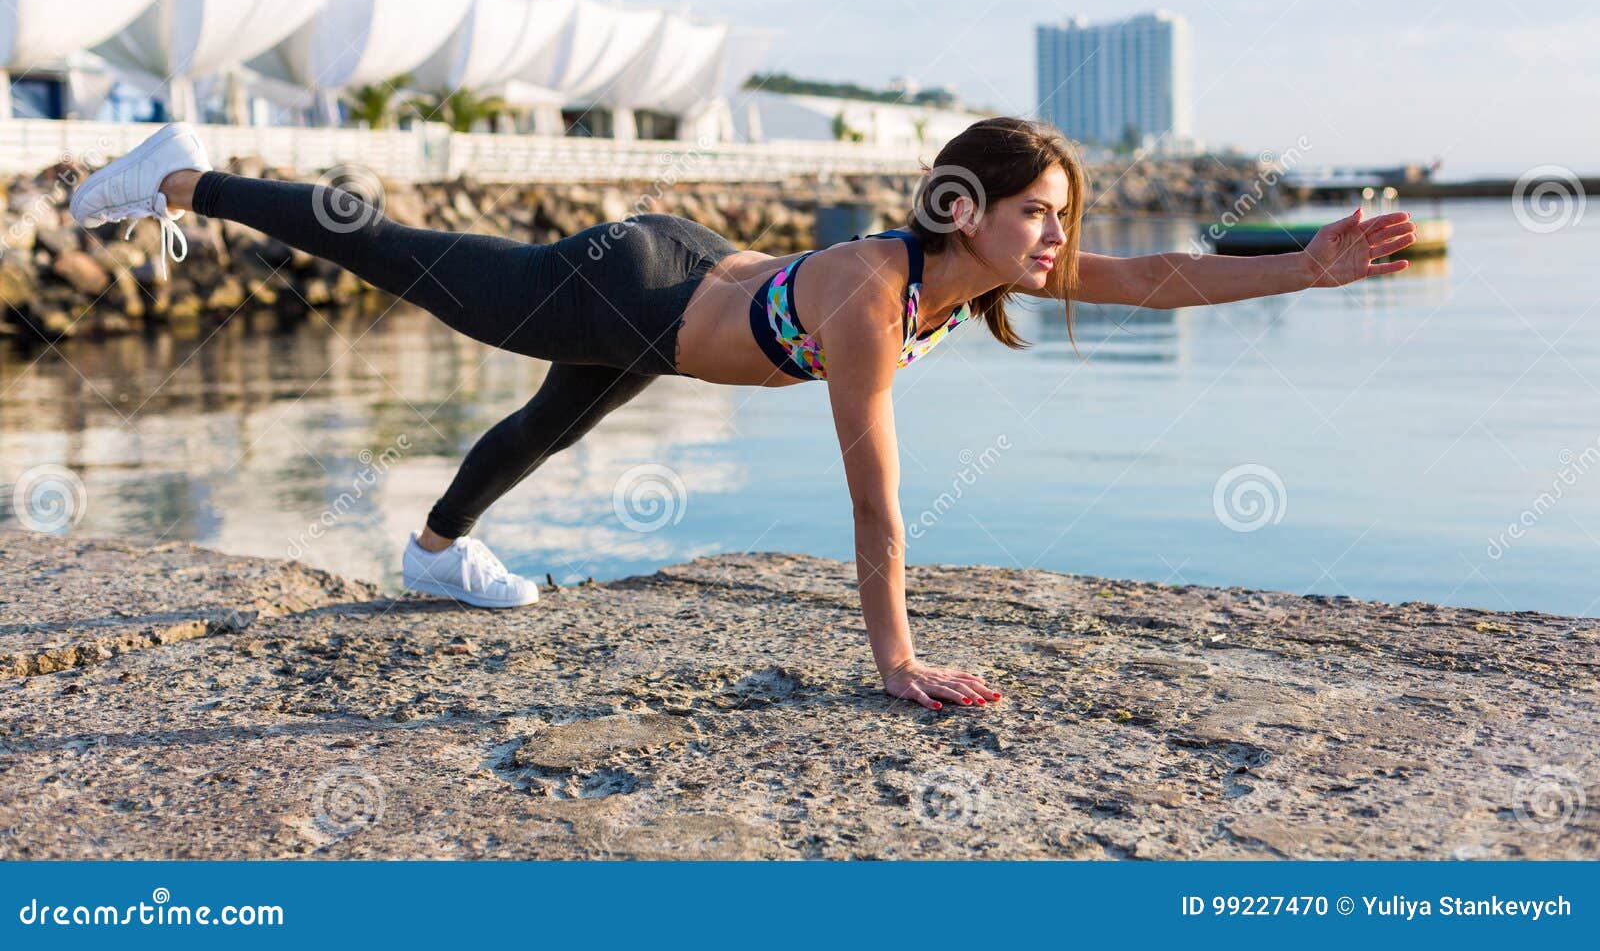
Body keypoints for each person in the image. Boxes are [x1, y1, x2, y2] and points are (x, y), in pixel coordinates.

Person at [69, 117, 1416, 712]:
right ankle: (181, 177)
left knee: (554, 425)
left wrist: (1306, 262)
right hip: (634, 282)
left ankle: (434, 551)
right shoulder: (875, 306)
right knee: (415, 257)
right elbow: (877, 497)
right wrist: (895, 657)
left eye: (1065, 216)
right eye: (1037, 213)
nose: (1060, 239)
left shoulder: (959, 282)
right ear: (968, 211)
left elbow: (1163, 277)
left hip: (677, 287)